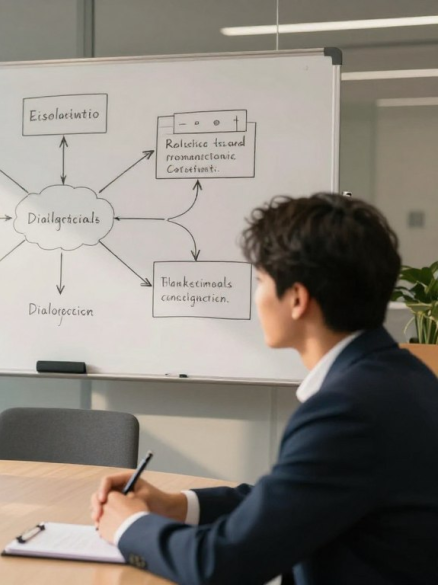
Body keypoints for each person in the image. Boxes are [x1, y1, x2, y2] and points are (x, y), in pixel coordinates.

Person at [92, 193, 438, 585]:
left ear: (296, 298)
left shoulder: (348, 409)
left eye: (260, 281)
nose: (256, 297)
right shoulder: (403, 377)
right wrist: (178, 506)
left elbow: (220, 564)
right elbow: (299, 499)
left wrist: (129, 527)